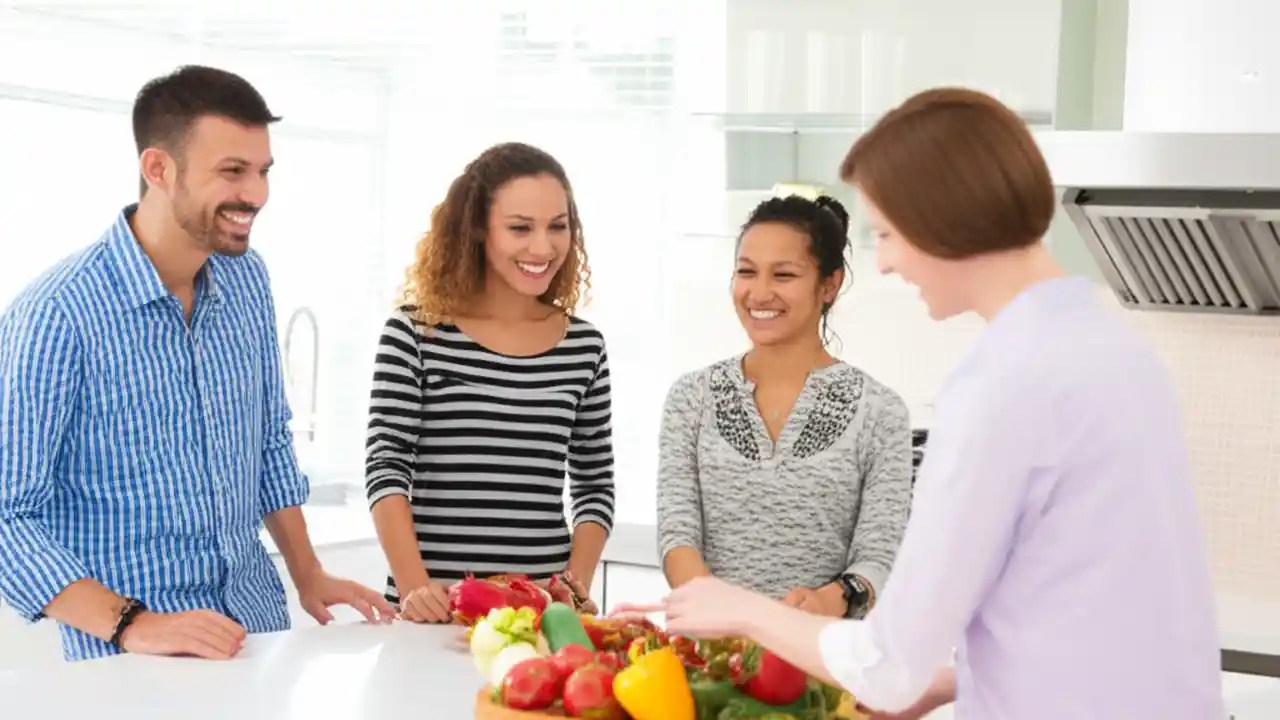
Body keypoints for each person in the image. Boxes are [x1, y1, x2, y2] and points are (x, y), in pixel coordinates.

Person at [645, 88, 1225, 719]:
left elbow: (888, 665)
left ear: (945, 219)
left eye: (889, 233)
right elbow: (1085, 601)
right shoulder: (1113, 342)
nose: (887, 262)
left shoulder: (1003, 380)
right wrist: (954, 680)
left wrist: (740, 609)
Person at [0, 65, 394, 663]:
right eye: (232, 171)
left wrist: (308, 573)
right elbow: (10, 518)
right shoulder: (57, 315)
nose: (257, 195)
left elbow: (266, 441)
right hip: (134, 667)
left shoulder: (246, 277)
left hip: (259, 637)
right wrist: (135, 623)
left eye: (262, 171)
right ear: (158, 169)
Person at [365, 142, 613, 624]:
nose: (542, 247)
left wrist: (573, 587)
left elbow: (595, 485)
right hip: (433, 612)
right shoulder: (416, 333)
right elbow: (387, 467)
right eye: (520, 228)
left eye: (557, 226)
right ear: (478, 228)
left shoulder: (584, 346)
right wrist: (416, 587)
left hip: (542, 614)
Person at [656, 194, 912, 621]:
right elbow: (676, 534)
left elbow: (880, 555)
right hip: (711, 664)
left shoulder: (881, 412)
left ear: (829, 284)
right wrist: (727, 617)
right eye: (746, 272)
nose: (759, 292)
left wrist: (830, 599)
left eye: (784, 275)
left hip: (826, 662)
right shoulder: (691, 398)